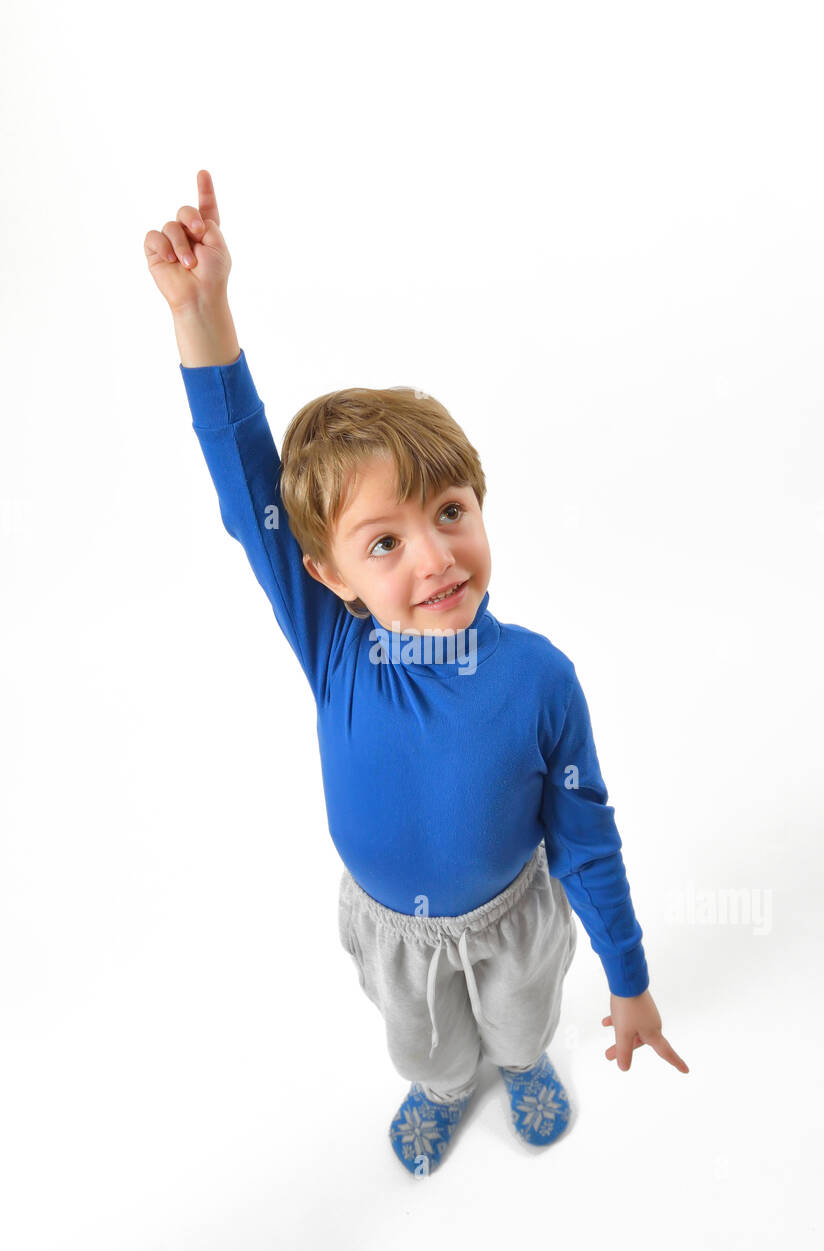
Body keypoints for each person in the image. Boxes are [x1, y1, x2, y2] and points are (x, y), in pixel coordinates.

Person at [143, 170, 689, 1179]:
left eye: (449, 512)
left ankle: (522, 1063)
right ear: (328, 575)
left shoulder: (540, 680)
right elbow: (243, 474)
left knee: (521, 1016)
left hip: (514, 917)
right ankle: (445, 1086)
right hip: (390, 931)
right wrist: (203, 307)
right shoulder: (334, 643)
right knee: (424, 1043)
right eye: (383, 542)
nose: (435, 557)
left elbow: (586, 839)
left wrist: (631, 979)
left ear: (479, 507)